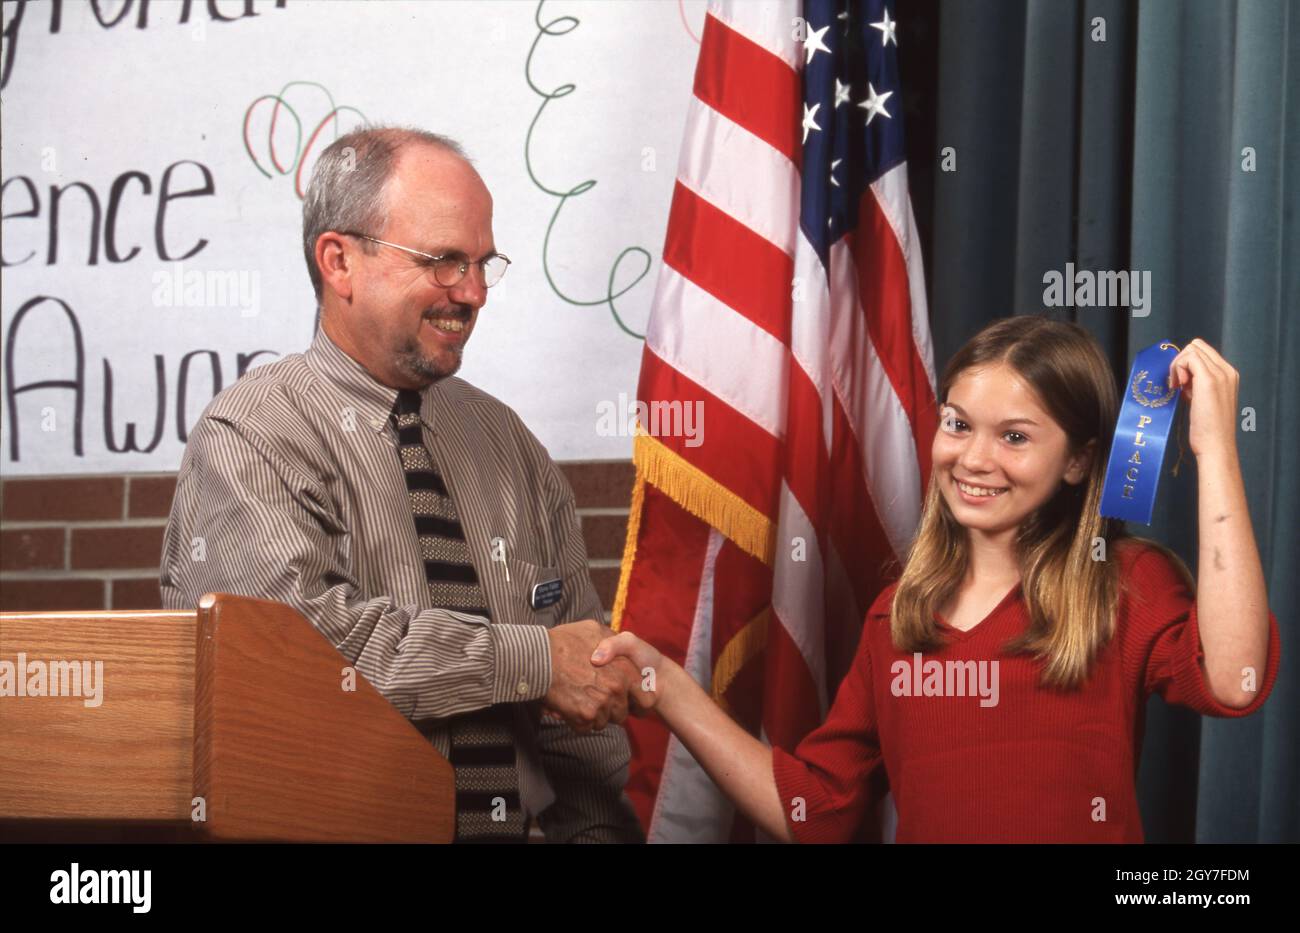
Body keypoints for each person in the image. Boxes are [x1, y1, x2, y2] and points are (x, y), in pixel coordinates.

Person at [593, 316, 1281, 842]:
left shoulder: (1125, 584)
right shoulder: (897, 619)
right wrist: (670, 686)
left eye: (1014, 436)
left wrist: (1213, 446)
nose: (974, 458)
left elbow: (1234, 680)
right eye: (957, 424)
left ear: (1077, 462)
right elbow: (813, 807)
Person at [161, 126, 643, 843]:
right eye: (443, 261)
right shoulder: (252, 435)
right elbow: (308, 660)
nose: (473, 292)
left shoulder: (509, 443)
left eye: (482, 263)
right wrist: (532, 661)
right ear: (339, 261)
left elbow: (582, 710)